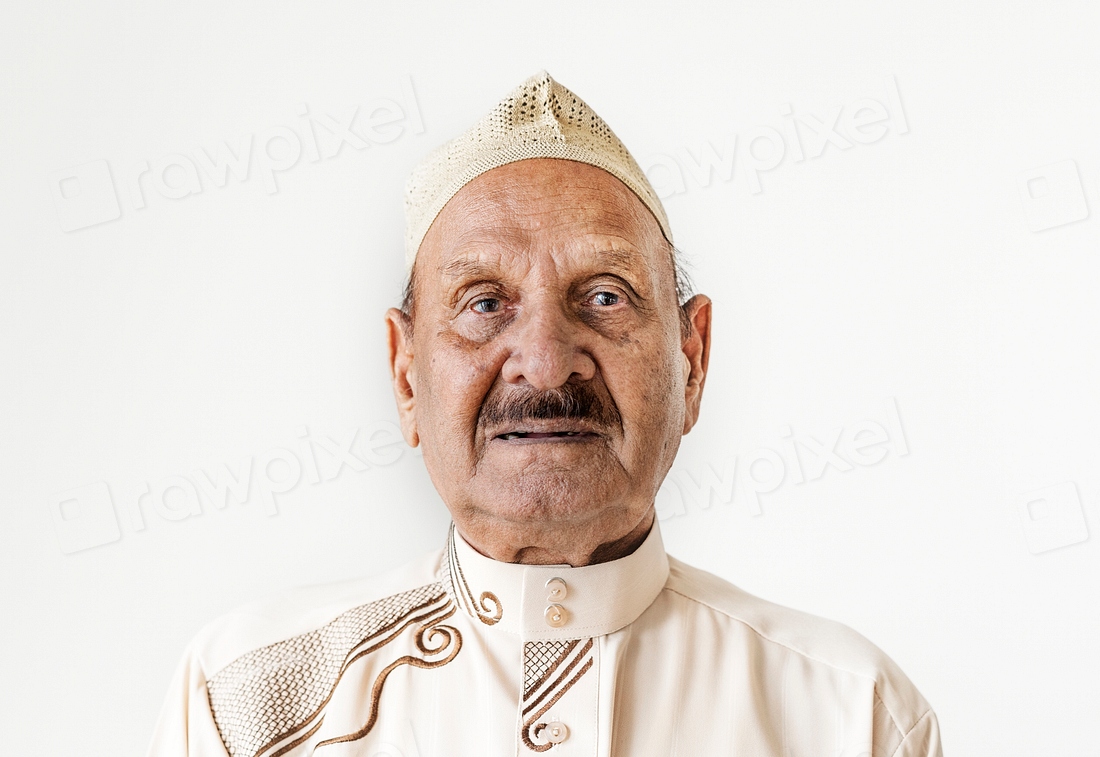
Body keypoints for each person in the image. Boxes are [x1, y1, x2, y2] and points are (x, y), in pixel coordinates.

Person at [148, 71, 943, 757]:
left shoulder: (851, 716)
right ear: (406, 374)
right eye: (485, 303)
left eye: (605, 296)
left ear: (691, 360)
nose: (545, 359)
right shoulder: (247, 702)